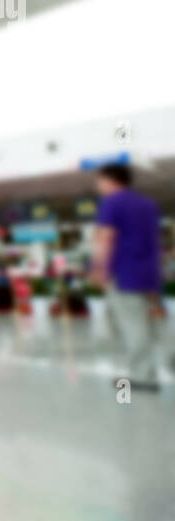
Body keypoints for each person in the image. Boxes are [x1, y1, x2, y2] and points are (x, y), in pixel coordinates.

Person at [91, 163, 166, 390]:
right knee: (154, 321)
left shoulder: (111, 202)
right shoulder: (148, 203)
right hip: (149, 271)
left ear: (108, 180)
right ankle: (167, 357)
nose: (98, 186)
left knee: (133, 326)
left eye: (99, 181)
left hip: (124, 273)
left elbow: (106, 237)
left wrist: (99, 268)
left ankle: (143, 376)